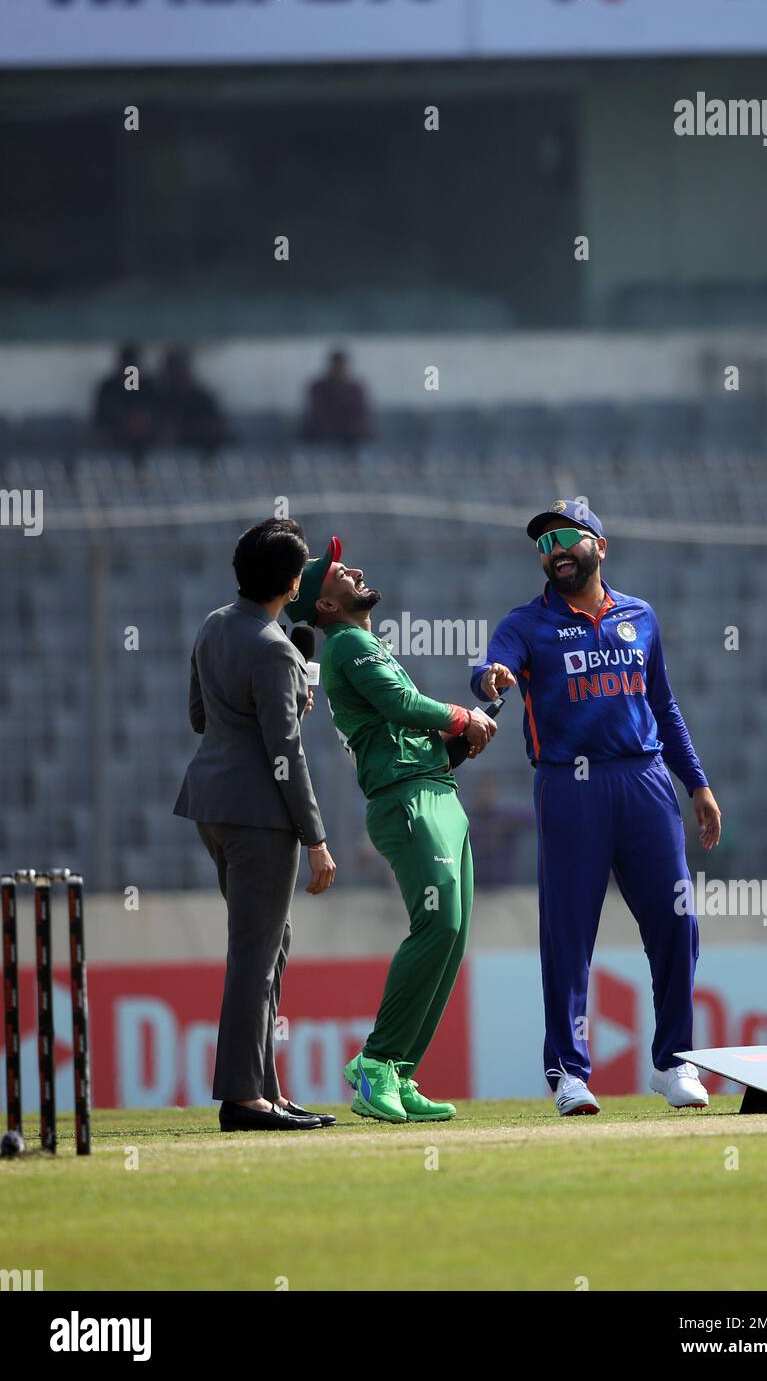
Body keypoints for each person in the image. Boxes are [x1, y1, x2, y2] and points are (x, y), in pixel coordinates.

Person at [471, 499, 722, 1117]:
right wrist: (493, 677)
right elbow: (490, 664)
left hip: (645, 781)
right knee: (568, 934)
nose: (554, 549)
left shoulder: (640, 616)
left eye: (566, 537)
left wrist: (697, 784)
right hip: (569, 788)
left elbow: (664, 707)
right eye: (543, 543)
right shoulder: (527, 624)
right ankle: (569, 1074)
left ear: (599, 546)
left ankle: (674, 1062)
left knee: (676, 923)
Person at [288, 536, 495, 1122]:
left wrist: (460, 737)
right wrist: (463, 716)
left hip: (436, 791)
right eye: (335, 573)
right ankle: (376, 1062)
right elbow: (404, 704)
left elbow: (402, 727)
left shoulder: (364, 642)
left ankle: (399, 1072)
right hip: (409, 802)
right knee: (439, 923)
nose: (351, 568)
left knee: (452, 937)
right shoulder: (349, 643)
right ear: (324, 606)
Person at [174, 518, 337, 1132]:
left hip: (212, 806)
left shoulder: (214, 624)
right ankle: (243, 1099)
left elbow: (198, 716)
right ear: (294, 584)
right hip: (259, 816)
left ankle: (265, 1088)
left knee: (270, 945)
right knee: (255, 954)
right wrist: (316, 839)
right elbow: (286, 753)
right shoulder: (275, 648)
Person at [92, 342, 160, 457]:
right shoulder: (109, 387)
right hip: (113, 438)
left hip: (147, 439)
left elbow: (157, 416)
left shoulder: (148, 387)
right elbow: (99, 419)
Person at [159, 347, 230, 454]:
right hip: (163, 458)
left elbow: (220, 429)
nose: (175, 375)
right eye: (171, 370)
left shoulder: (202, 399)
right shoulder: (160, 398)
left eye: (178, 369)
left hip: (199, 458)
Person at [300, 349, 372, 448]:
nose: (338, 368)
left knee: (361, 431)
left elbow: (360, 412)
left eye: (341, 365)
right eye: (336, 365)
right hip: (324, 429)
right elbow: (317, 412)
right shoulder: (318, 387)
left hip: (348, 431)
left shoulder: (354, 388)